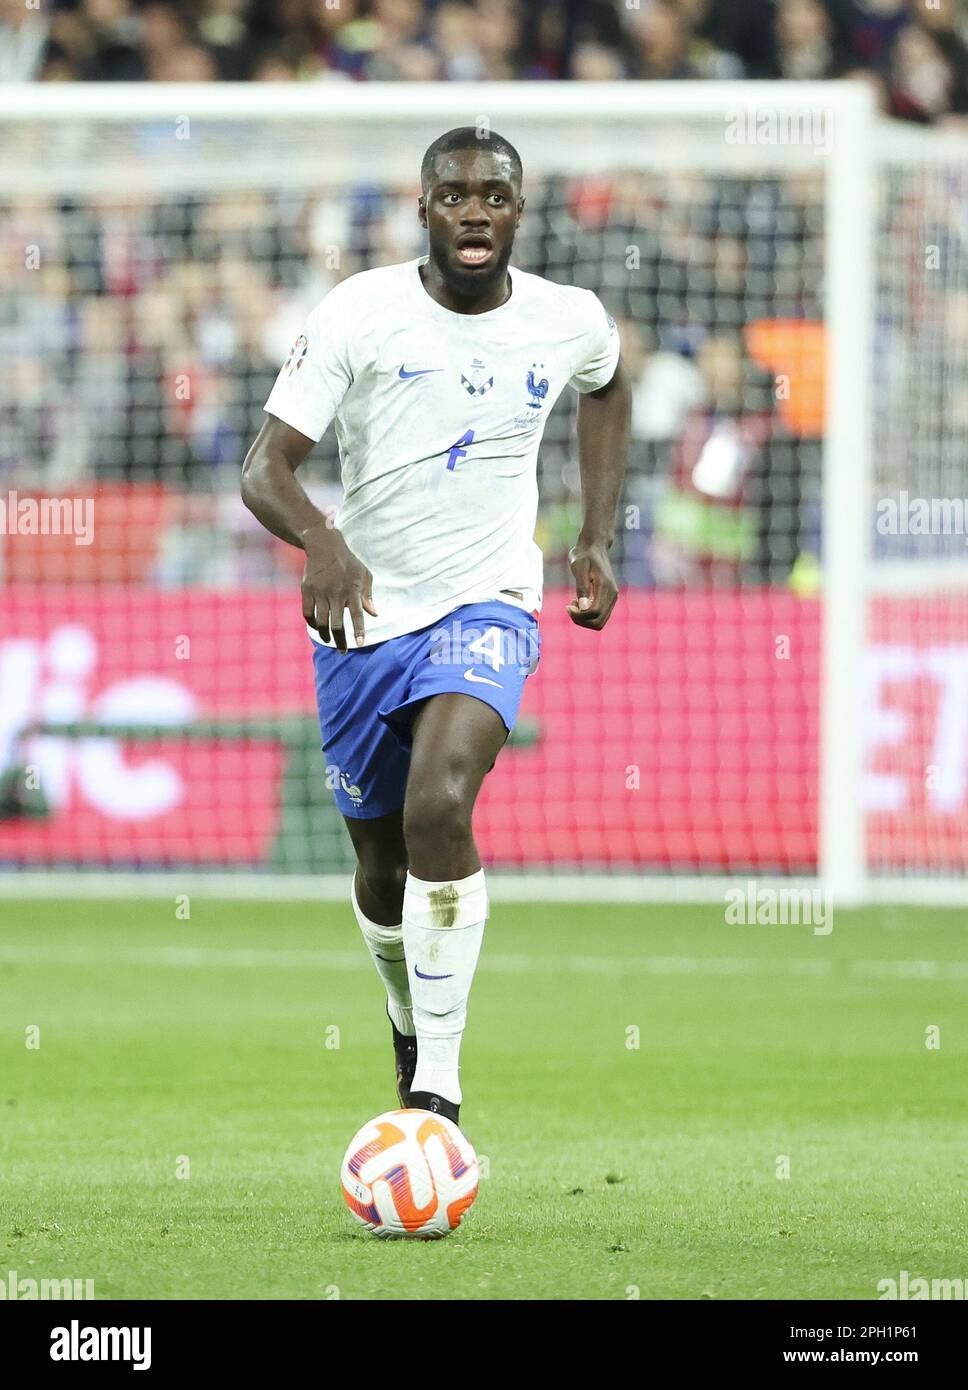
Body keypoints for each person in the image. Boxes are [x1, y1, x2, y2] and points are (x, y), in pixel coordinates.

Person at [241, 127, 630, 1126]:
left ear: (516, 212)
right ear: (422, 208)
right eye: (451, 194)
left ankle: (437, 1092)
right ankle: (404, 1016)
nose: (472, 211)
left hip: (487, 601)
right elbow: (264, 468)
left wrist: (595, 537)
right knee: (379, 861)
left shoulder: (565, 318)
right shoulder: (359, 313)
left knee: (438, 804)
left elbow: (607, 383)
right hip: (362, 614)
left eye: (491, 196)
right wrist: (322, 541)